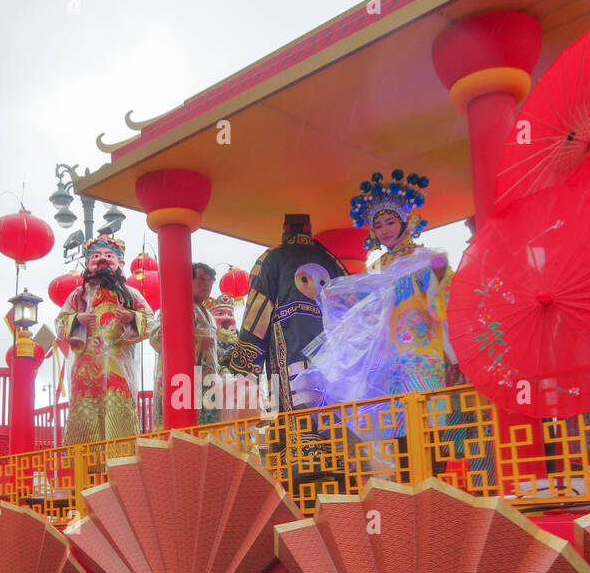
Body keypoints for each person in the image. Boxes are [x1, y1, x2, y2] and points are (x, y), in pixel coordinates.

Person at [296, 169, 492, 480]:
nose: (384, 230)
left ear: (405, 222)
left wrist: (454, 354)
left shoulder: (432, 260)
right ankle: (409, 497)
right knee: (397, 432)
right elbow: (363, 317)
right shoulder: (376, 271)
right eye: (378, 225)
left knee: (429, 427)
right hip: (388, 363)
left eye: (390, 222)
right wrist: (334, 296)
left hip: (424, 357)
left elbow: (449, 306)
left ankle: (432, 494)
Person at [225, 214, 346, 412]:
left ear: (284, 231)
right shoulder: (332, 261)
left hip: (289, 347)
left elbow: (258, 313)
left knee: (292, 405)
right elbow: (347, 307)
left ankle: (300, 441)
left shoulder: (271, 258)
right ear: (310, 229)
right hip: (330, 350)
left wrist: (244, 362)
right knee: (331, 409)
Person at [55, 235, 153, 445]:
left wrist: (131, 318)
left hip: (117, 371)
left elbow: (152, 322)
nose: (103, 260)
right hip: (84, 373)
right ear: (88, 263)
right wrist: (77, 320)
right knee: (85, 416)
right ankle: (83, 469)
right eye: (96, 256)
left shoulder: (130, 294)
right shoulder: (77, 295)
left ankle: (121, 468)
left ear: (120, 263)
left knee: (117, 414)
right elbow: (59, 324)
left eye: (109, 256)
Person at [150, 263, 222, 428]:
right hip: (180, 384)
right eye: (202, 278)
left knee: (207, 433)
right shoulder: (175, 306)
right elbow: (156, 337)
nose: (207, 284)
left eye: (210, 280)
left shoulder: (209, 315)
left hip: (206, 384)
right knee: (181, 434)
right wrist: (197, 342)